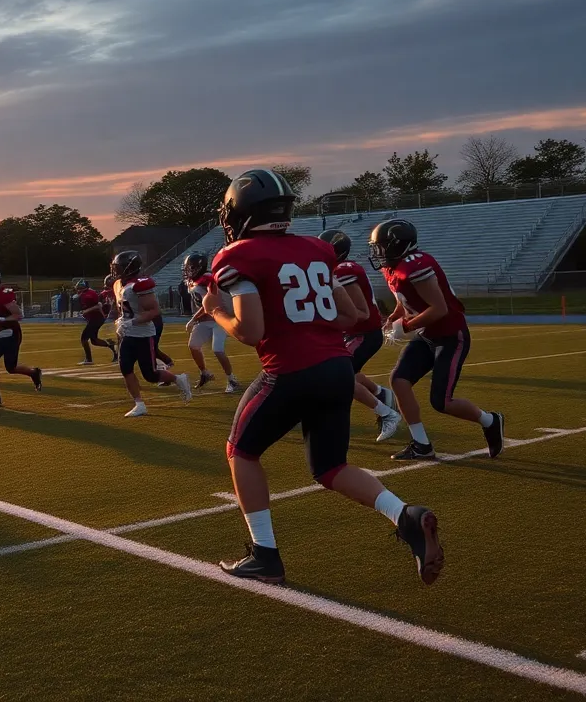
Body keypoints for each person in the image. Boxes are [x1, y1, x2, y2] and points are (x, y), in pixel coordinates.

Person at [207, 168, 442, 585]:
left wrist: (217, 311)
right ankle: (403, 515)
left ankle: (265, 554)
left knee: (240, 452)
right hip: (337, 369)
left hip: (289, 370)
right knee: (331, 467)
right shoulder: (317, 249)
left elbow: (251, 332)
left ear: (240, 212)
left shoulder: (237, 256)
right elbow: (351, 315)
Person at [369, 219, 504, 461]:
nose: (378, 252)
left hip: (450, 335)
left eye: (381, 246)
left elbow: (439, 308)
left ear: (398, 245)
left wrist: (407, 326)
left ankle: (490, 420)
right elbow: (404, 298)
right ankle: (421, 444)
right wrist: (395, 315)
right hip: (427, 335)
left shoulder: (416, 265)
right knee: (399, 380)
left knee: (442, 402)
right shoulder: (394, 267)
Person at [319, 229, 402, 440]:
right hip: (355, 333)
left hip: (363, 333)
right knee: (347, 373)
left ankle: (387, 413)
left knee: (340, 378)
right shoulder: (337, 269)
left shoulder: (343, 271)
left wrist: (325, 319)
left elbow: (361, 312)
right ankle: (382, 394)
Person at [110, 251, 191, 417]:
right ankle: (139, 404)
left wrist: (132, 321)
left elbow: (154, 310)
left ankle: (178, 379)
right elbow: (123, 309)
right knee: (125, 367)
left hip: (143, 334)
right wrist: (121, 321)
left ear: (129, 267)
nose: (116, 270)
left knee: (150, 375)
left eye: (120, 267)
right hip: (127, 333)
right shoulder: (118, 284)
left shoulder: (140, 284)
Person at [0, 269, 42, 408]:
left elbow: (18, 315)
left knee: (11, 367)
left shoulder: (4, 295)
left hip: (11, 332)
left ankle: (33, 373)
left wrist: (2, 319)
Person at [183, 253, 239, 393]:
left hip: (218, 319)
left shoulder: (207, 279)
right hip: (204, 321)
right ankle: (205, 373)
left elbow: (209, 304)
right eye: (188, 267)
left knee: (217, 349)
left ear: (199, 267)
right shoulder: (193, 280)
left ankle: (232, 380)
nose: (188, 270)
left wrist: (193, 318)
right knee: (193, 346)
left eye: (191, 267)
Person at [74, 279, 116, 365]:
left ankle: (89, 359)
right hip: (96, 318)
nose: (78, 290)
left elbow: (98, 305)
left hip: (96, 319)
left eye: (80, 288)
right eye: (78, 288)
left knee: (84, 339)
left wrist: (87, 311)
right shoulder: (86, 294)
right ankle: (112, 347)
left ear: (84, 288)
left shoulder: (88, 294)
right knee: (94, 341)